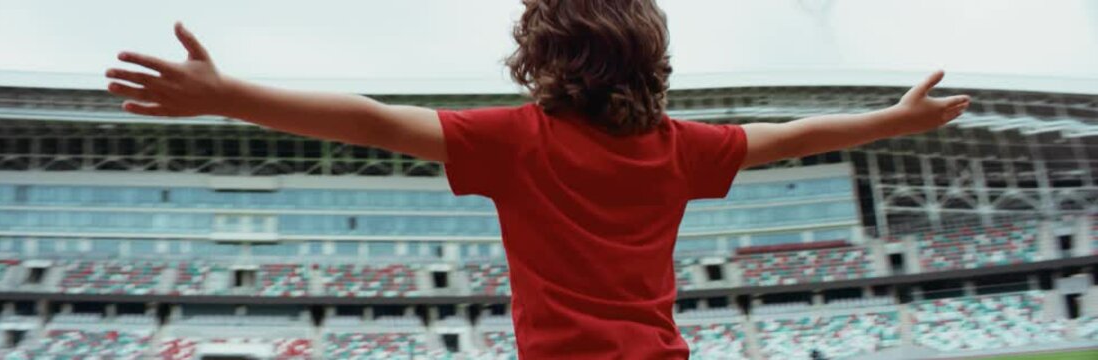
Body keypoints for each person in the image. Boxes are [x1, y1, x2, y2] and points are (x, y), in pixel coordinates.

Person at [104, 1, 970, 358]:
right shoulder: (682, 147)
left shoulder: (515, 140)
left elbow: (367, 120)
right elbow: (798, 134)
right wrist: (894, 119)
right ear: (651, 60)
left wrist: (225, 98)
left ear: (539, 58)